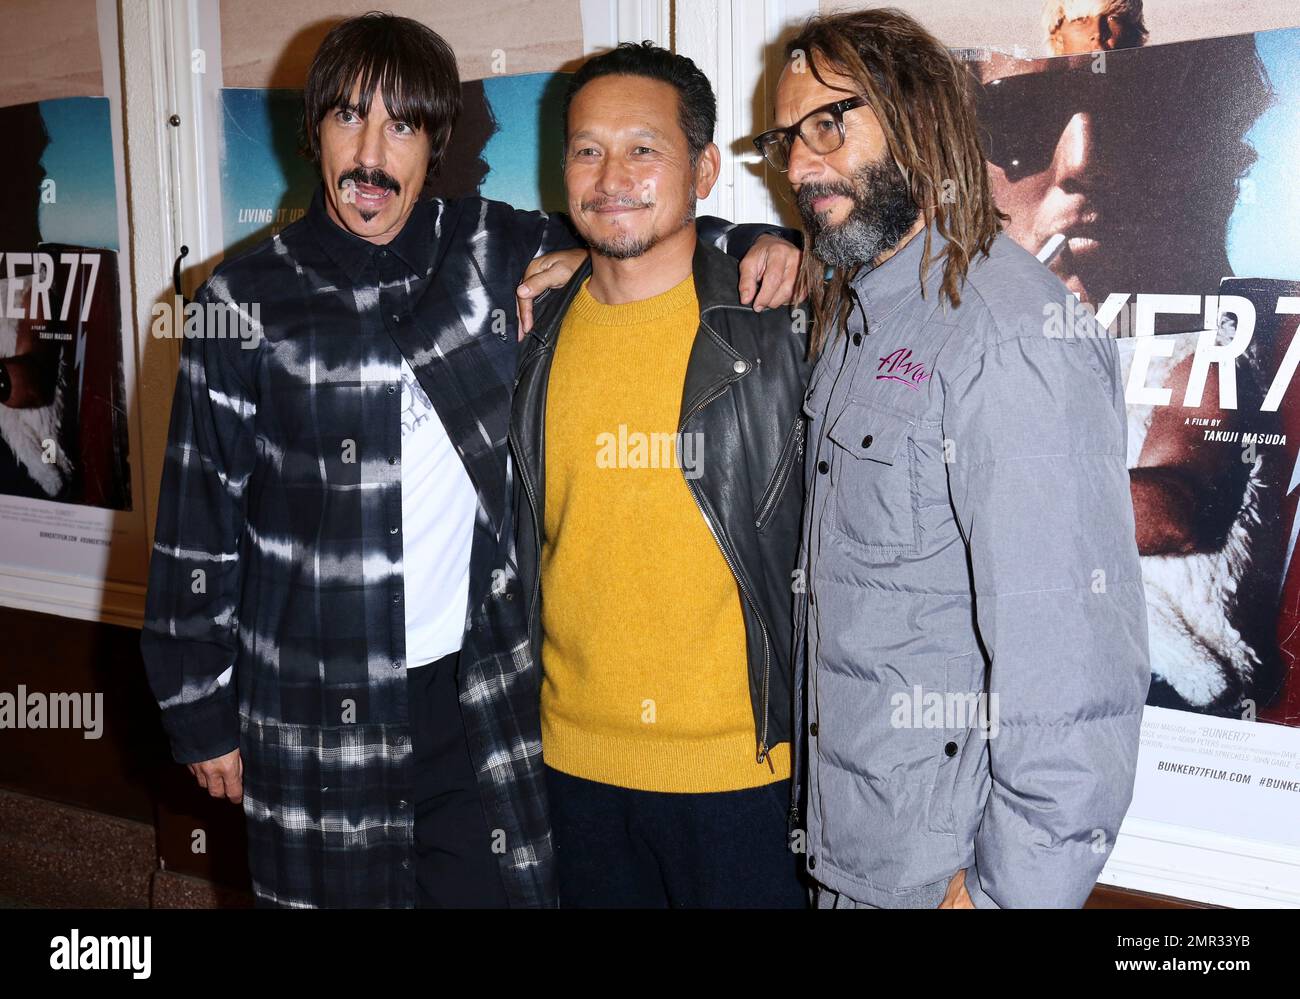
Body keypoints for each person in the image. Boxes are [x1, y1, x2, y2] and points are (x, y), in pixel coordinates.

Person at [140, 12, 800, 909]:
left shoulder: (489, 248)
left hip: (478, 697)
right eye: (347, 118)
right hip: (308, 702)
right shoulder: (243, 299)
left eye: (402, 125)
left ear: (434, 142)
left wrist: (756, 244)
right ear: (313, 133)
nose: (372, 154)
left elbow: (640, 232)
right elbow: (195, 525)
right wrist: (197, 710)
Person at [755, 8, 1150, 908]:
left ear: (919, 118)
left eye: (830, 123)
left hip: (942, 885)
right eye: (787, 139)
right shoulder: (865, 309)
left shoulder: (1009, 337)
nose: (803, 166)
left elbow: (1073, 667)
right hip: (852, 857)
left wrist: (1013, 894)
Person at [511, 41, 810, 908]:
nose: (612, 176)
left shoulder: (774, 324)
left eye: (644, 149)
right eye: (587, 149)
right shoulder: (531, 329)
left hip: (745, 778)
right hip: (570, 772)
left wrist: (780, 243)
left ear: (705, 167)